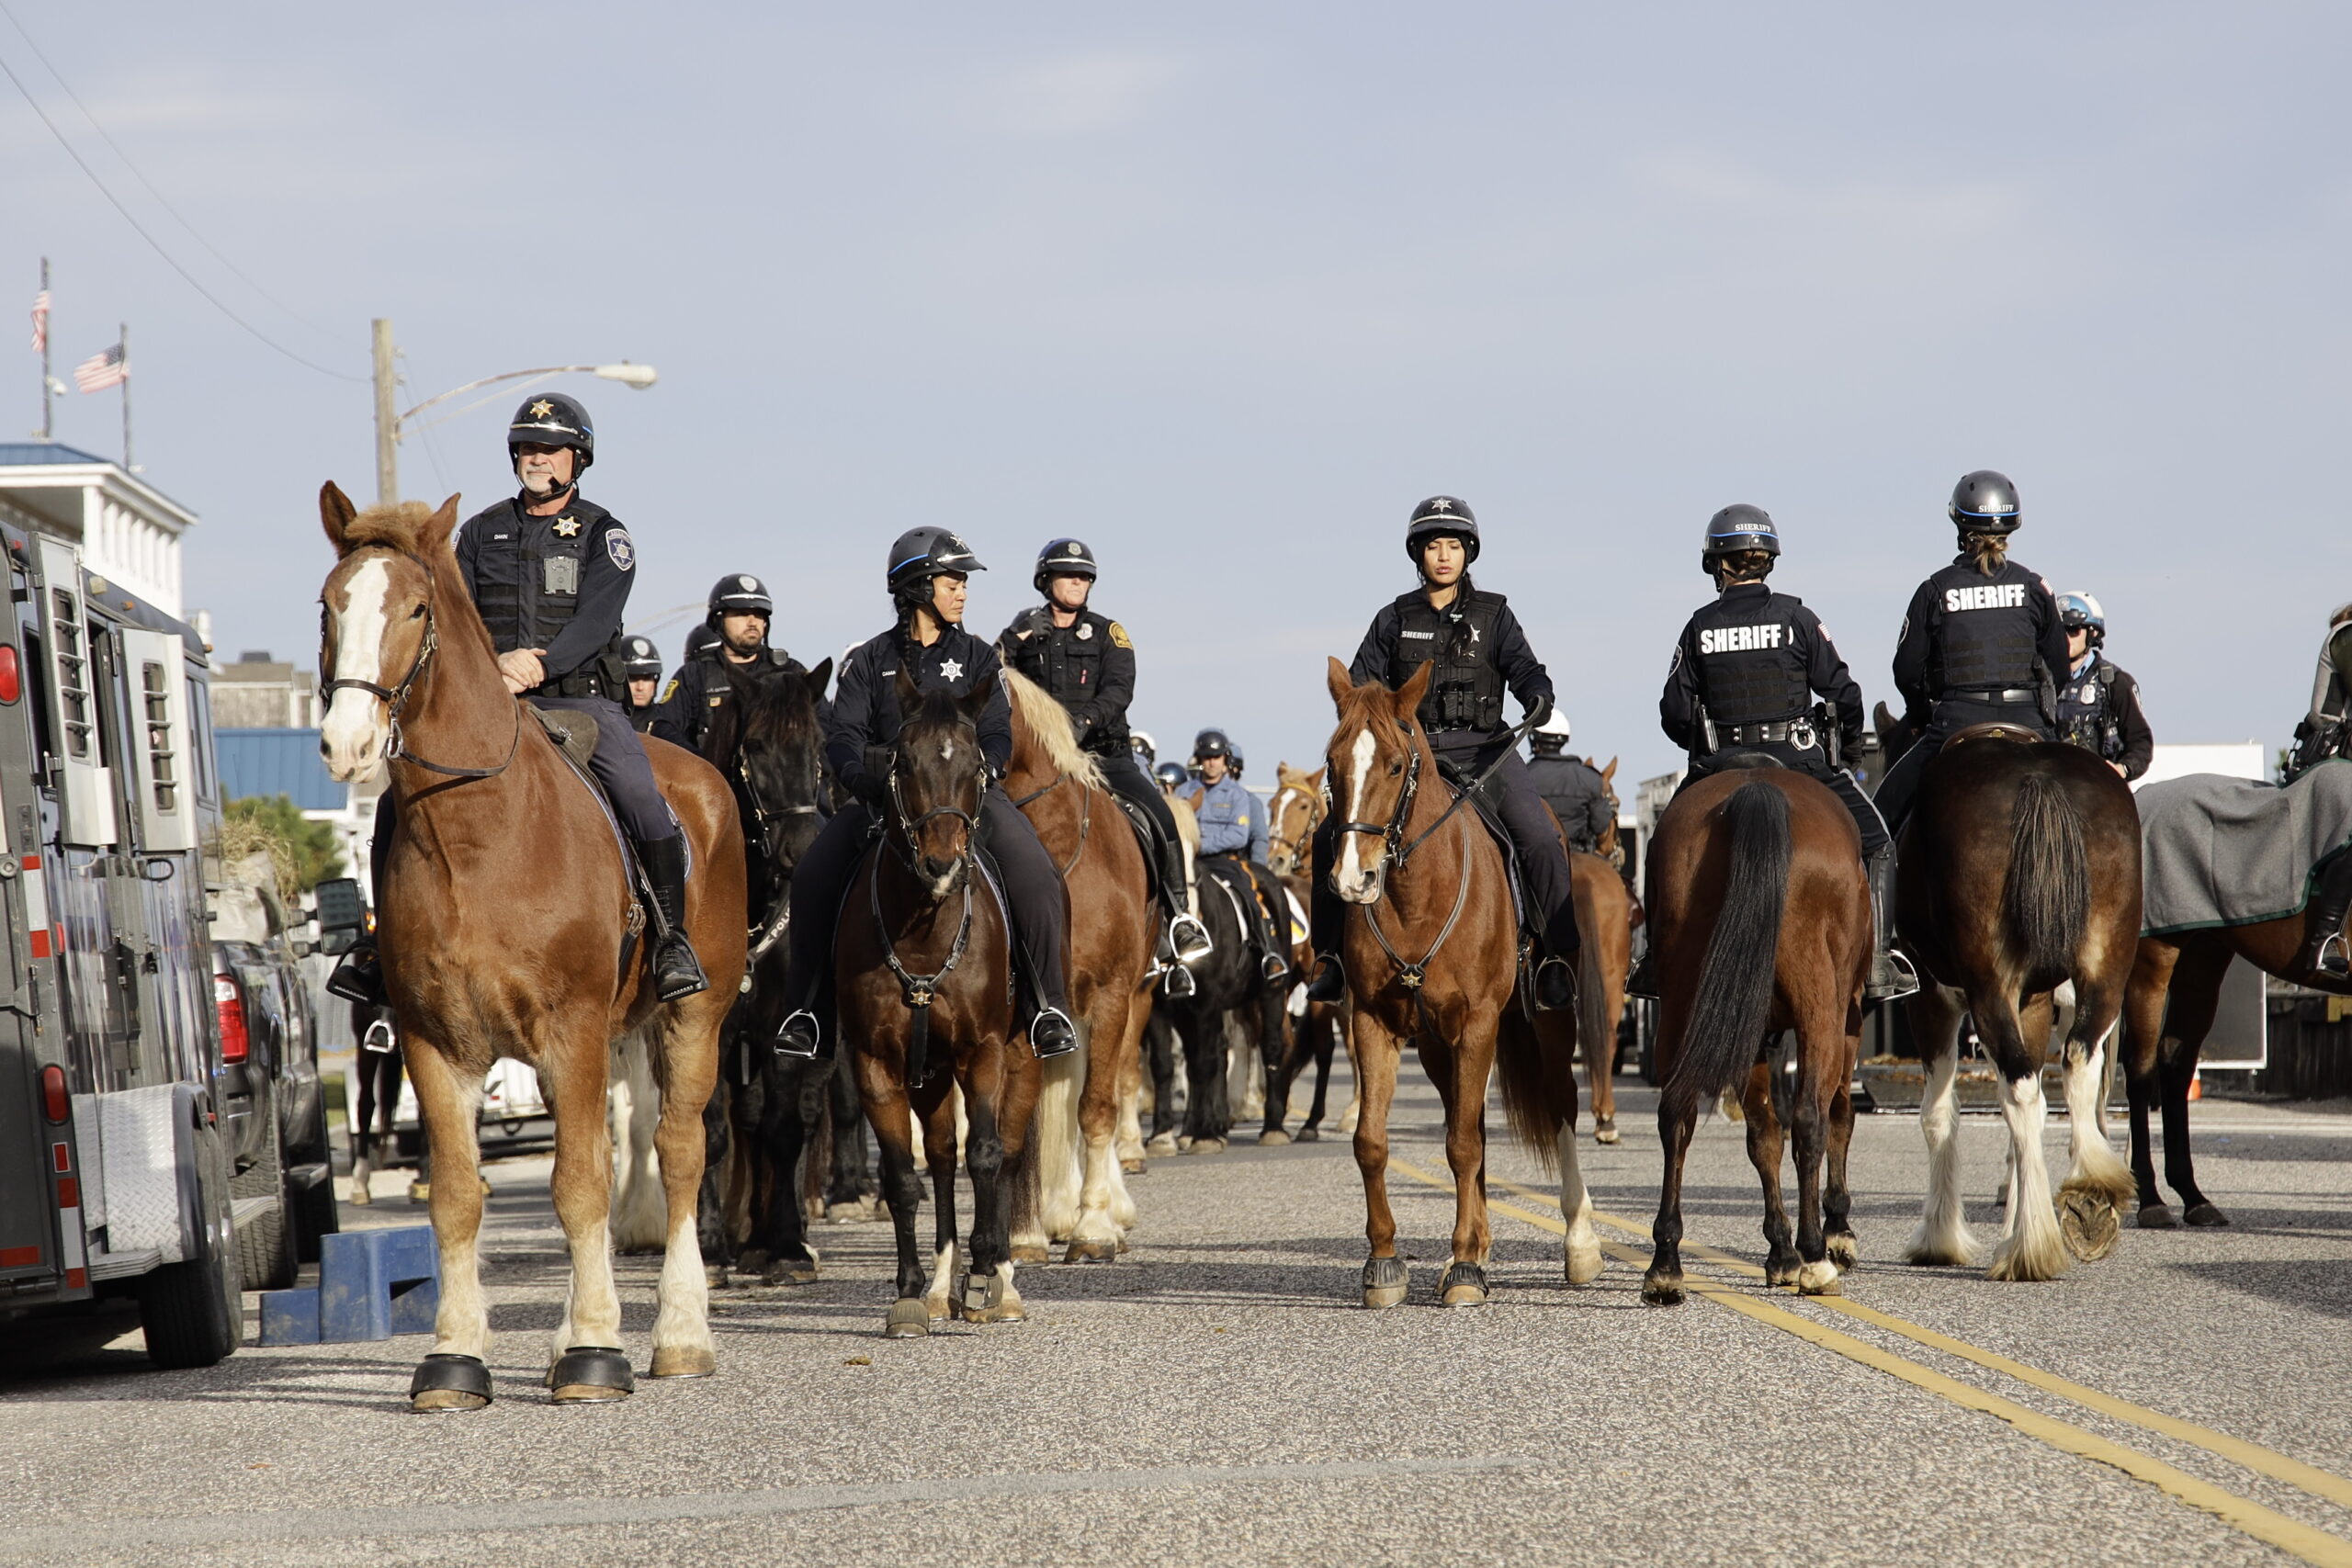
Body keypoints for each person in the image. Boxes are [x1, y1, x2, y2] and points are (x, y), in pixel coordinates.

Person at [329, 392, 707, 1005]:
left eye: (550, 448)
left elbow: (595, 620)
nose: (537, 458)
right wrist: (489, 668)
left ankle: (672, 940)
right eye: (528, 448)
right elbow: (453, 617)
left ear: (577, 458)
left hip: (582, 704)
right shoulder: (480, 532)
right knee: (400, 801)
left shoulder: (604, 535)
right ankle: (378, 948)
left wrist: (540, 663)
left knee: (642, 796)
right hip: (493, 705)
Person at [772, 528, 1078, 1060]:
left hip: (968, 800)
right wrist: (862, 782)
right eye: (952, 580)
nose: (962, 591)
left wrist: (991, 767)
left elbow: (998, 729)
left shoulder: (981, 657)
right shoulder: (869, 660)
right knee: (814, 874)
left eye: (963, 582)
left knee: (1037, 874)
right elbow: (843, 735)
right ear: (917, 587)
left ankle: (1046, 1006)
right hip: (883, 802)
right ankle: (807, 1012)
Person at [1303, 495, 1579, 1010]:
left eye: (1454, 545)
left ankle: (1555, 959)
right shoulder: (1392, 617)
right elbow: (1363, 685)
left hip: (1484, 753)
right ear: (1418, 554)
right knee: (1327, 837)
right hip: (1413, 758)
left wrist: (1539, 695)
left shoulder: (1495, 613)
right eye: (1434, 546)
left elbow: (1526, 670)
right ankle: (1332, 959)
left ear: (1468, 552)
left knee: (1540, 836)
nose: (1444, 556)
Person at [1636, 503, 1917, 1000]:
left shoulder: (1698, 627)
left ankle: (1656, 962)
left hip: (1719, 765)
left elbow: (1674, 711)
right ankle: (1877, 963)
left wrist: (1703, 748)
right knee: (1878, 843)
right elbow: (1844, 695)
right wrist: (1846, 749)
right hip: (1800, 761)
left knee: (1663, 848)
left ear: (1716, 564)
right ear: (1768, 561)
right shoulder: (1798, 617)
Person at [996, 537, 1212, 971]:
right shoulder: (1022, 629)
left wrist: (1081, 724)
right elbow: (990, 677)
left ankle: (1178, 917)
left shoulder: (1109, 632)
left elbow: (1120, 689)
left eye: (1084, 576)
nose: (1078, 581)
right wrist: (1013, 639)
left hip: (1103, 757)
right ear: (1046, 581)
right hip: (1041, 764)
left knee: (1160, 814)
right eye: (1068, 574)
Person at [1870, 469, 2069, 834]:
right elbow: (2060, 665)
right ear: (2010, 527)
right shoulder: (2035, 587)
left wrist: (1919, 716)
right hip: (2028, 721)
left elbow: (1908, 671)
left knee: (1876, 823)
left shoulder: (1935, 589)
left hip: (1955, 723)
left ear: (1960, 526)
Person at [651, 574, 813, 758]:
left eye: (759, 614)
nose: (752, 622)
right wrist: (702, 768)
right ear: (718, 620)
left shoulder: (790, 672)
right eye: (742, 614)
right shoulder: (695, 674)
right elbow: (663, 729)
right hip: (714, 782)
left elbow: (823, 724)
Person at [1178, 729, 1290, 981]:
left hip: (1223, 862)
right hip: (1190, 862)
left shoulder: (1238, 795)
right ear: (1199, 758)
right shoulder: (1182, 793)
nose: (1211, 762)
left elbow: (1238, 836)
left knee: (1249, 894)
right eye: (1206, 756)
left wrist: (1197, 844)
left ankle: (1268, 952)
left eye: (1216, 756)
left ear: (1225, 759)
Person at [2053, 592, 2153, 781]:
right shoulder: (2042, 682)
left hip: (2099, 788)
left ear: (2093, 633)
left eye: (2073, 630)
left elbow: (2141, 743)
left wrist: (2121, 770)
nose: (2065, 637)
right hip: (2052, 786)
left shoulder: (2114, 682)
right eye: (2060, 631)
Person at [1526, 711, 1611, 852]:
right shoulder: (1590, 778)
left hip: (1535, 854)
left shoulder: (1523, 776)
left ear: (1535, 739)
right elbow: (1600, 825)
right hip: (1579, 851)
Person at [617, 633, 664, 732]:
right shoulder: (607, 721)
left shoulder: (668, 723)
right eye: (633, 679)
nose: (640, 687)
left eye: (647, 678)